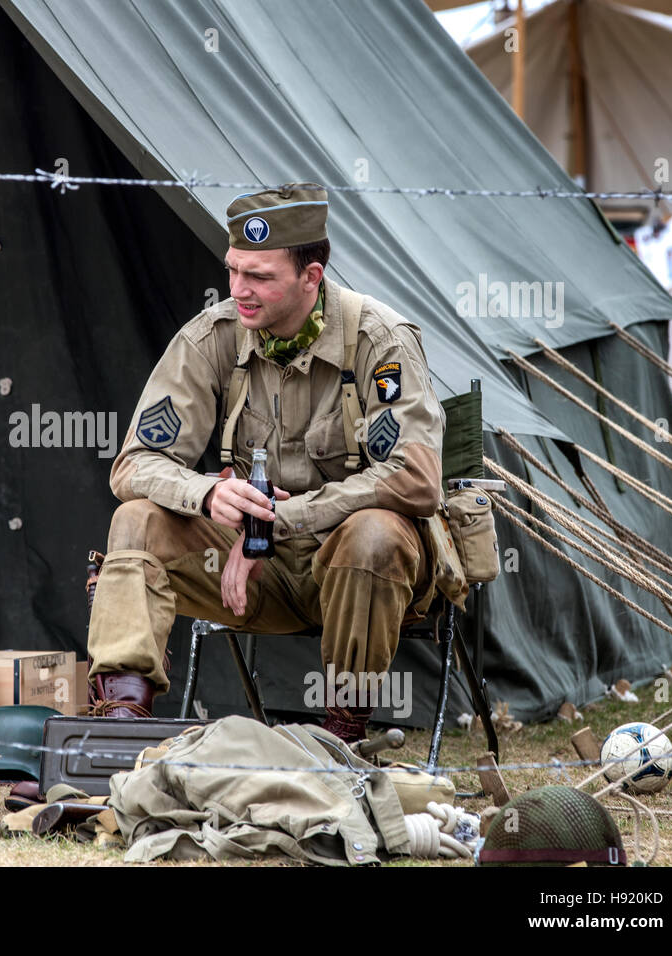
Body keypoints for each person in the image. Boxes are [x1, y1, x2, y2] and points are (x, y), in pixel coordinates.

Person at [86, 184, 446, 742]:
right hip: (254, 571)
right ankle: (118, 727)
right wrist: (207, 496)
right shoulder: (214, 338)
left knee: (373, 533)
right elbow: (133, 464)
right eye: (233, 270)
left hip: (355, 572)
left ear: (312, 276)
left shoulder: (379, 341)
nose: (239, 290)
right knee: (136, 520)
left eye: (260, 276)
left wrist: (286, 518)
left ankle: (342, 737)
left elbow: (417, 480)